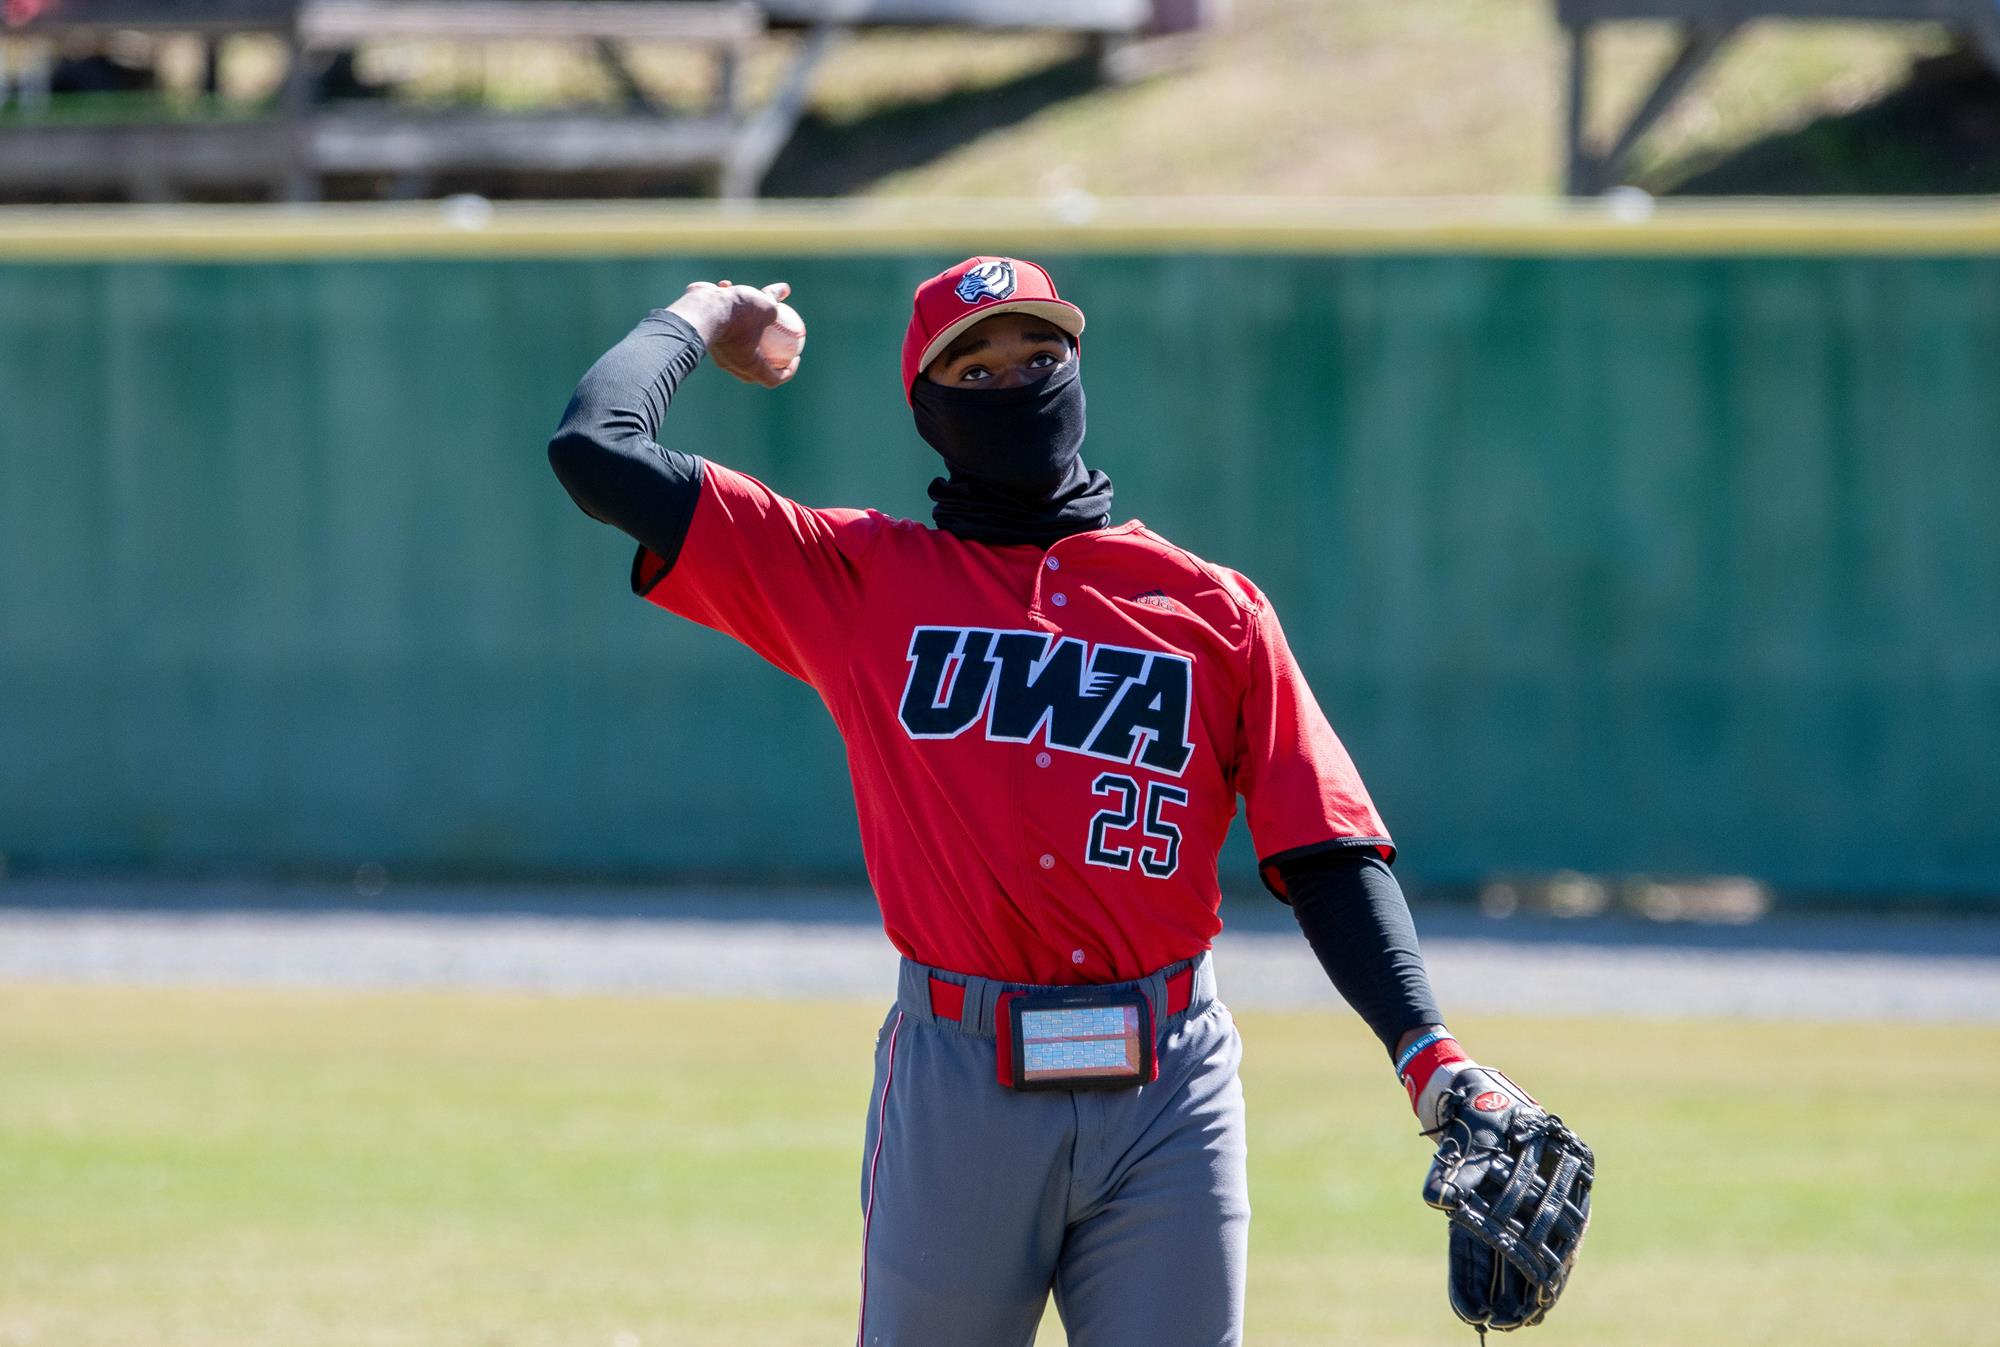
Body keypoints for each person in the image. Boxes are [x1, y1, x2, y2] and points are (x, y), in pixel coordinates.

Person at [548, 257, 1540, 1347]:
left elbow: (1325, 847)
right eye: (973, 369)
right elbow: (596, 450)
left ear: (1077, 368)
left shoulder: (1212, 609)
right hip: (958, 1082)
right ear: (924, 408)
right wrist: (705, 313)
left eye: (1039, 354)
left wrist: (1429, 1055)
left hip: (1170, 1085)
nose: (1013, 379)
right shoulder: (853, 577)